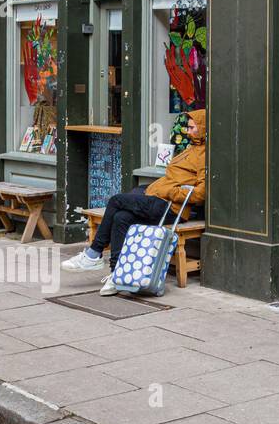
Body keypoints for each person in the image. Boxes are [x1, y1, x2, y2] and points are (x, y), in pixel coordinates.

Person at [62, 109, 207, 295]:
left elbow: (200, 193)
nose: (187, 131)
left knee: (116, 200)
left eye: (192, 127)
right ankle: (116, 274)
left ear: (203, 128)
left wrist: (168, 190)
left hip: (171, 207)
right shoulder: (191, 149)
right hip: (158, 198)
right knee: (121, 217)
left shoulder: (204, 156)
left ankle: (94, 253)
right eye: (188, 127)